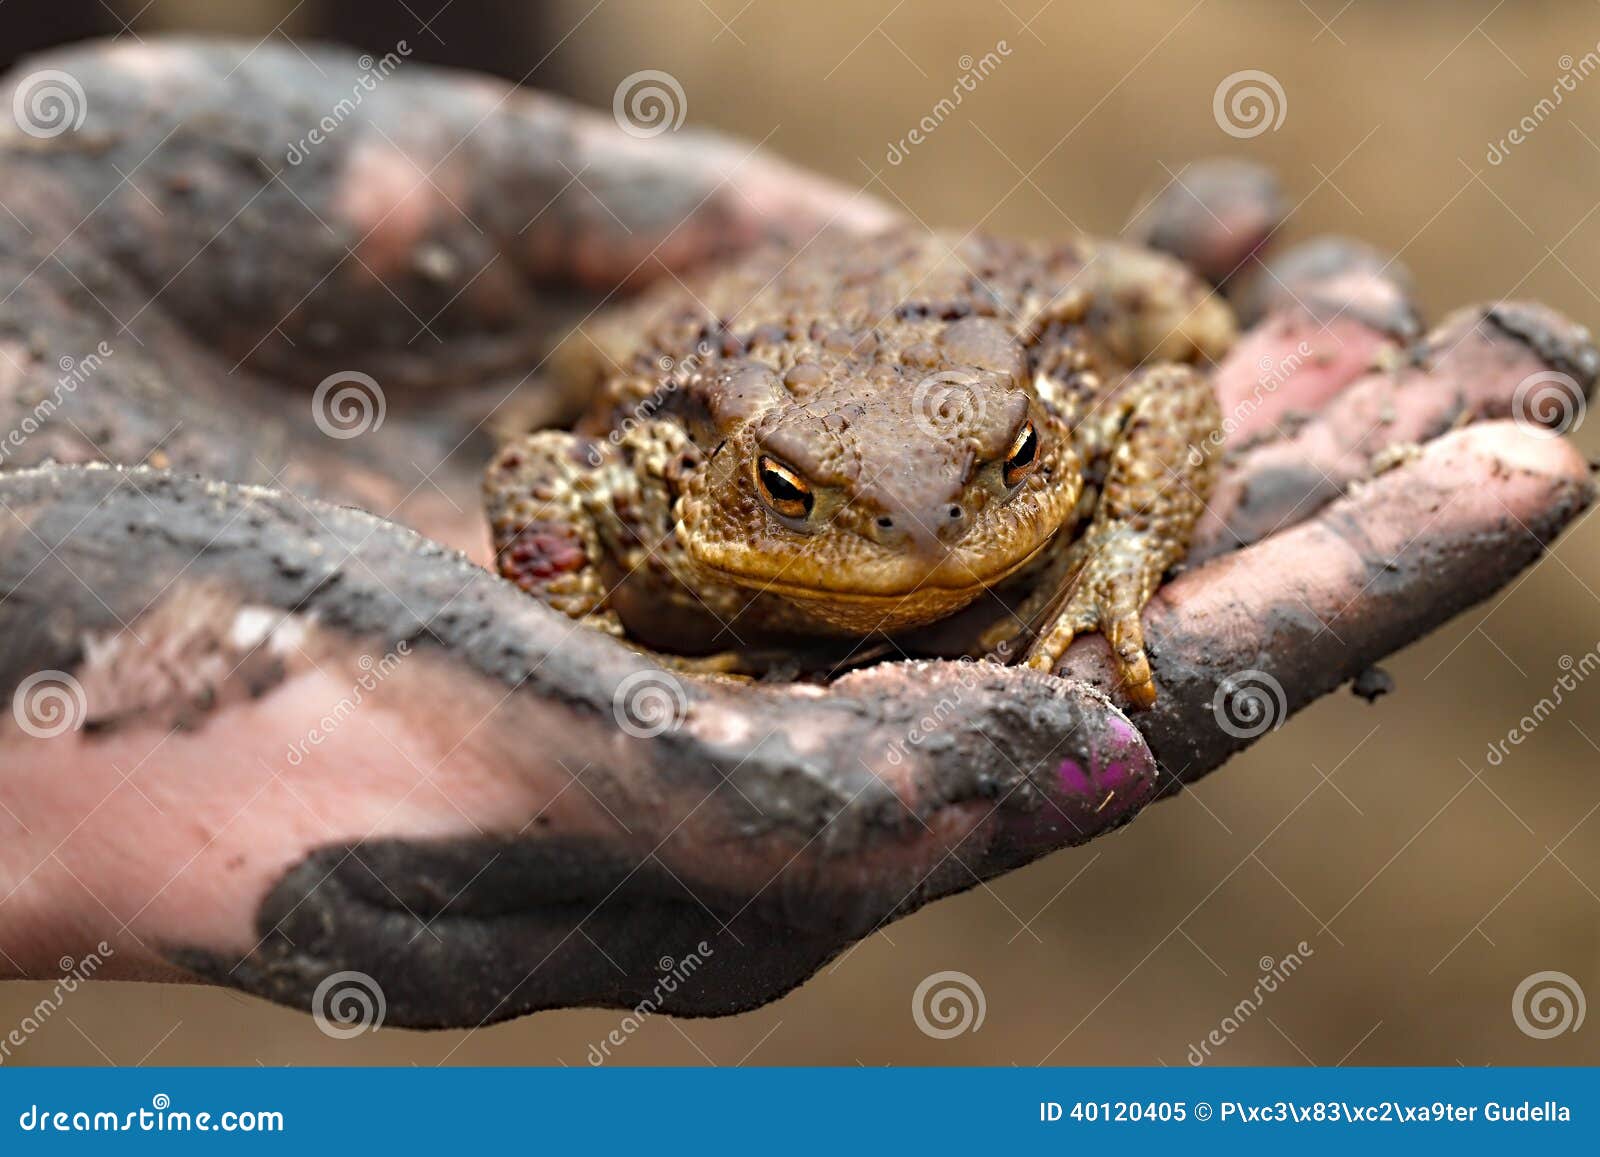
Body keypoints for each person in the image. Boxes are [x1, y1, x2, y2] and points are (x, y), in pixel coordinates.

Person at [0, 39, 1590, 1029]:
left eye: (1003, 476)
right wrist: (589, 629)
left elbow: (1168, 402)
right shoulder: (670, 468)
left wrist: (1116, 555)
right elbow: (551, 466)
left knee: (1169, 306)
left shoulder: (1047, 414)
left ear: (1033, 436)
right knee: (589, 363)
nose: (915, 543)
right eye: (805, 506)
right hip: (742, 353)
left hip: (948, 334)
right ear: (726, 483)